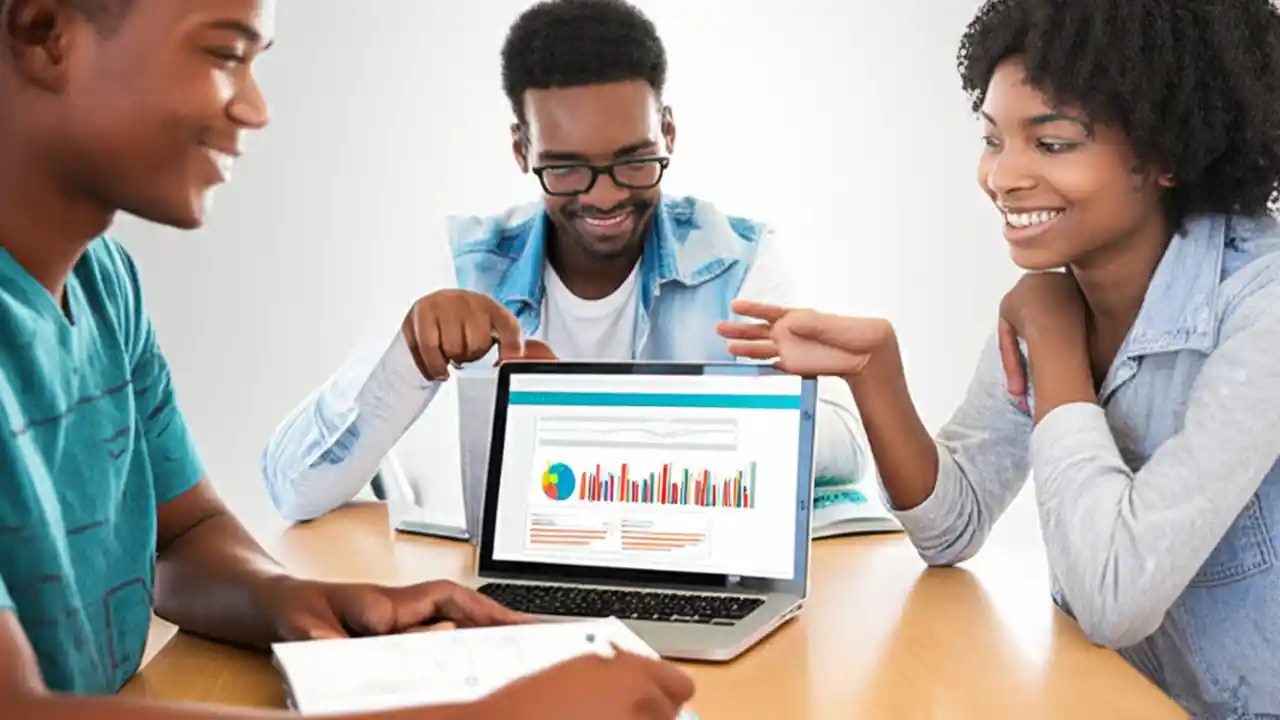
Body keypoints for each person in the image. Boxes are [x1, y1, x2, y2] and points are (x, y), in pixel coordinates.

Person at [0, 1, 694, 718]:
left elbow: (180, 540)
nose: (257, 108)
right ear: (47, 35)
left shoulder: (102, 282)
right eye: (222, 54)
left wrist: (307, 604)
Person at [719, 0, 1280, 715]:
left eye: (1051, 145)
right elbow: (952, 527)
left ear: (1164, 155)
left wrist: (1053, 346)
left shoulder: (1262, 311)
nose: (1002, 177)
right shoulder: (1065, 281)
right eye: (993, 138)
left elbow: (1112, 597)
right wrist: (875, 375)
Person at [260, 0, 872, 525]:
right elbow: (294, 488)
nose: (604, 195)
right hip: (511, 604)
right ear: (522, 150)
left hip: (685, 570)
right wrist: (409, 362)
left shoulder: (736, 258)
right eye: (566, 168)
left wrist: (582, 414)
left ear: (669, 133)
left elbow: (845, 448)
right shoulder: (463, 266)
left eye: (634, 161)